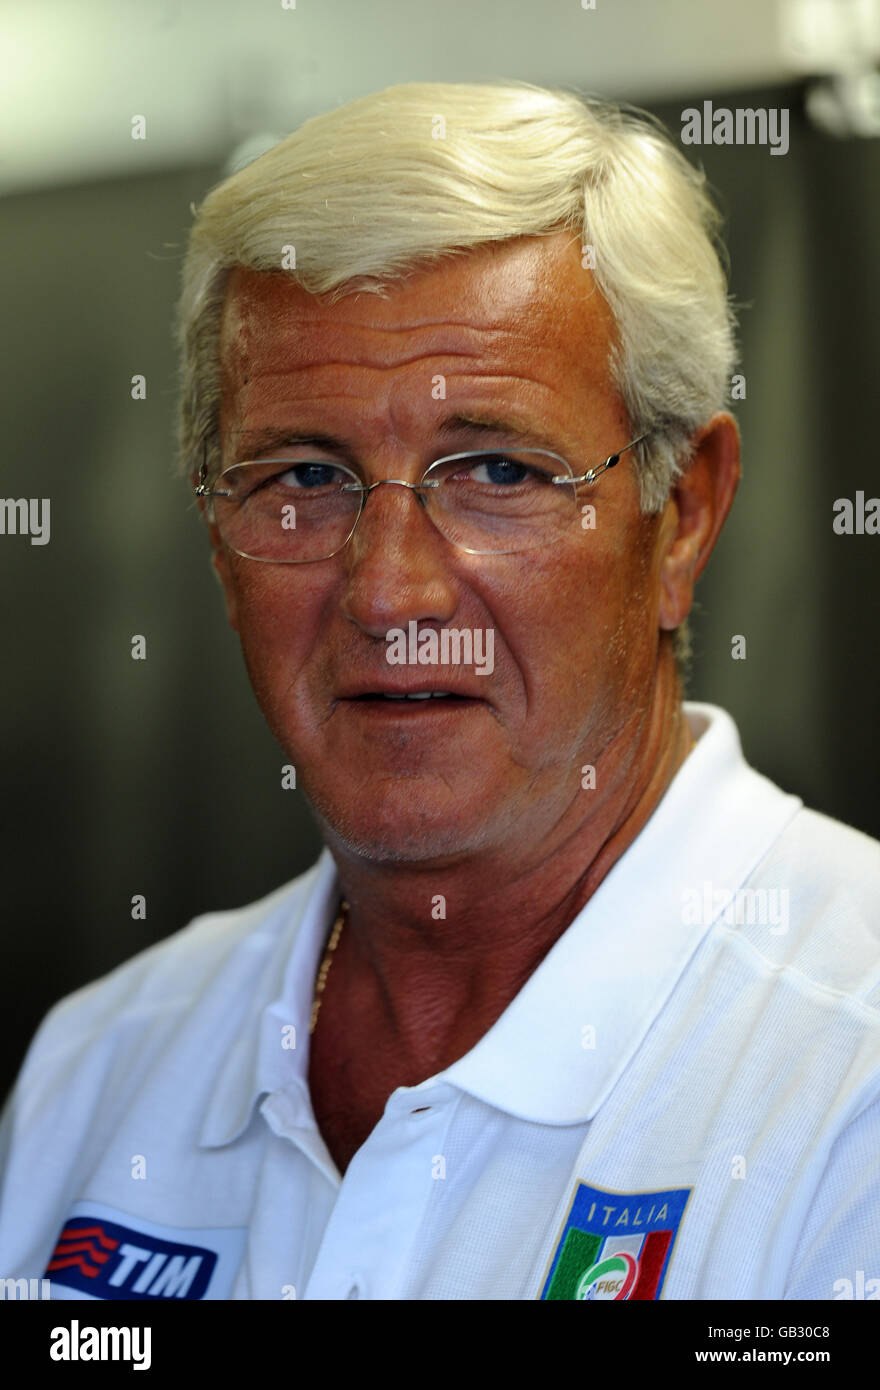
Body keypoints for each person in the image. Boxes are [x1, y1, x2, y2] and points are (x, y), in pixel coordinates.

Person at [1, 80, 878, 1303]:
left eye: (499, 471)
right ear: (216, 537)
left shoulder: (850, 1066)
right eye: (305, 474)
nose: (390, 593)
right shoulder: (102, 1067)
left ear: (680, 517)